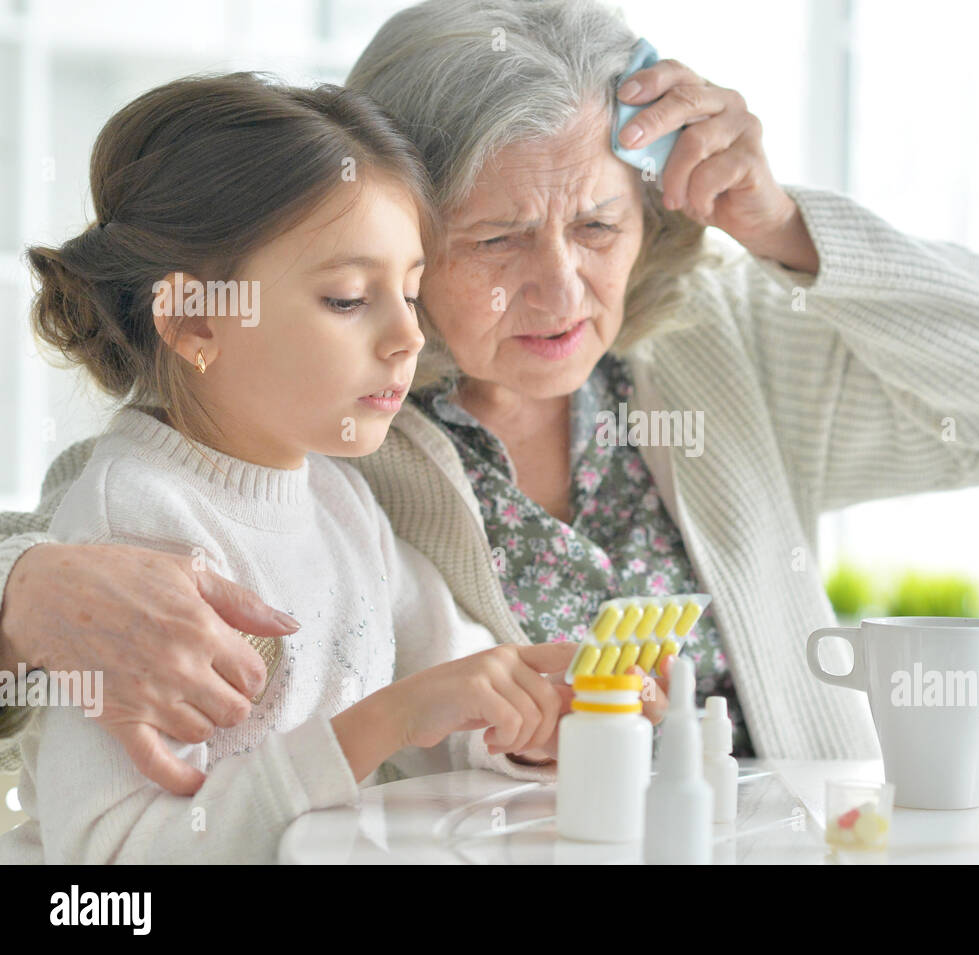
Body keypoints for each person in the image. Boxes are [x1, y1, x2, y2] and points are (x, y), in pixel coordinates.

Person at [0, 0, 979, 790]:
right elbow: (112, 507)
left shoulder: (718, 344)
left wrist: (779, 222)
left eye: (597, 225)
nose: (561, 288)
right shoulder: (315, 399)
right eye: (493, 239)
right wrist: (22, 587)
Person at [0, 73, 596, 864]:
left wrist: (535, 717)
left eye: (410, 293)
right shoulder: (135, 522)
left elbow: (451, 691)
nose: (407, 337)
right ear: (194, 319)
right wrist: (383, 723)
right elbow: (110, 857)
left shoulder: (339, 496)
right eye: (350, 299)